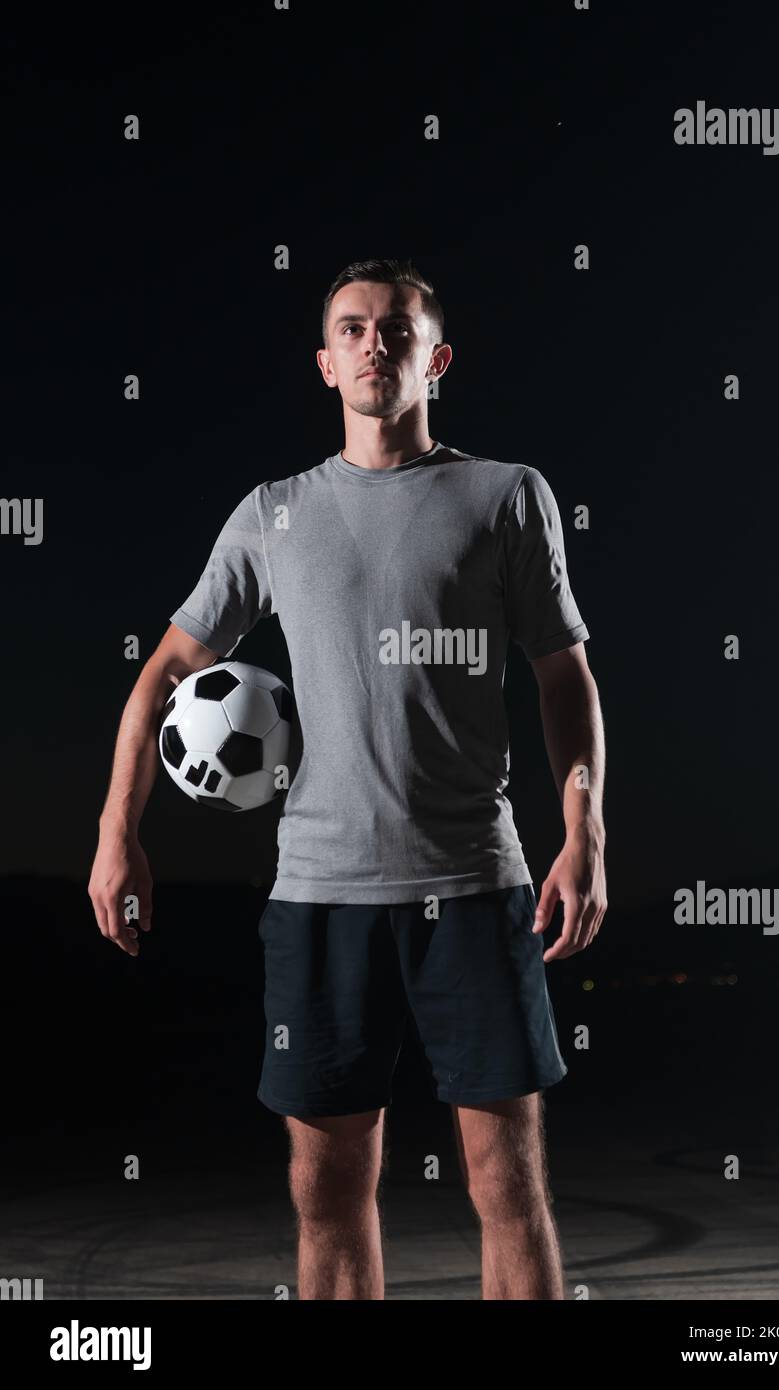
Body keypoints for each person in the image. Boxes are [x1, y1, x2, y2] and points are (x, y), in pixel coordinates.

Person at [88, 257, 608, 1300]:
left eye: (397, 329)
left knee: (505, 1182)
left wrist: (582, 826)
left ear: (435, 359)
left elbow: (563, 673)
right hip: (319, 895)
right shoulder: (273, 514)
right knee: (327, 1191)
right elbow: (164, 673)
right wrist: (117, 830)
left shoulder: (507, 496)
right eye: (354, 329)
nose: (376, 343)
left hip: (472, 882)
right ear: (325, 363)